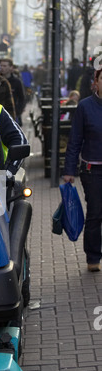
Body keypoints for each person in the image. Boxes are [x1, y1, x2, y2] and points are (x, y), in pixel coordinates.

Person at [63, 68, 102, 272]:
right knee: (95, 214)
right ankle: (93, 257)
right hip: (93, 171)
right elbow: (75, 140)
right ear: (96, 82)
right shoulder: (85, 107)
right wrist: (69, 170)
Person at [0, 58, 25, 127]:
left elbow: (22, 97)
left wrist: (18, 111)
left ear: (11, 67)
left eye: (4, 66)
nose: (2, 68)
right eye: (1, 66)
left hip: (12, 113)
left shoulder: (16, 82)